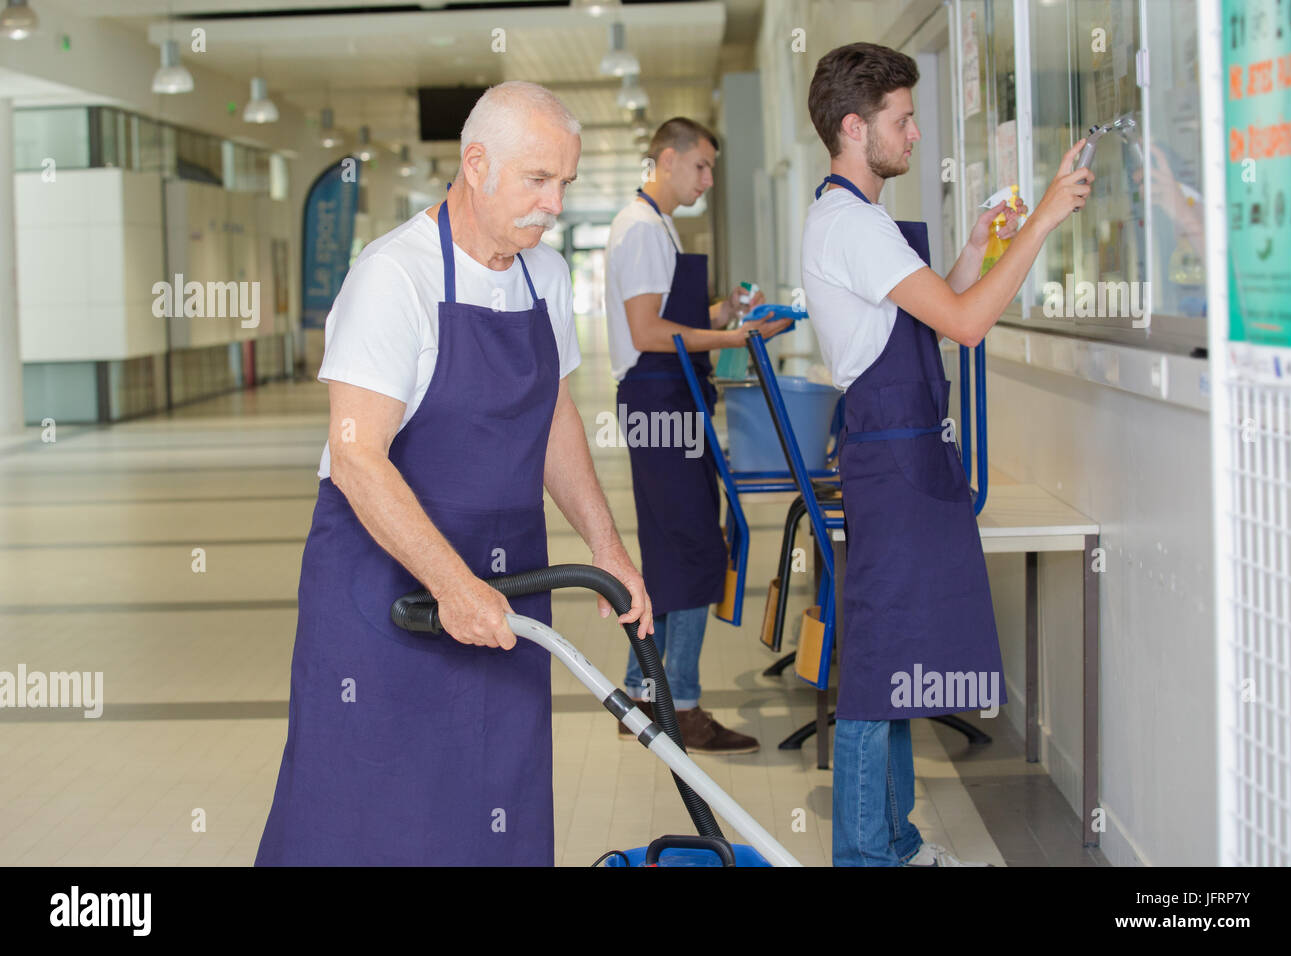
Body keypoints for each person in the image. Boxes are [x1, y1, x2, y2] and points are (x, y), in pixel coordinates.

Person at [256, 81, 652, 866]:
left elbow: (555, 419)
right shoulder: (394, 277)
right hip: (387, 595)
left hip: (506, 587)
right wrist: (450, 583)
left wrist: (607, 550)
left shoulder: (544, 274)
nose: (554, 204)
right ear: (477, 165)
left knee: (492, 794)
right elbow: (358, 457)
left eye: (565, 183)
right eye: (539, 180)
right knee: (369, 808)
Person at [801, 43, 1092, 866]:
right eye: (902, 119)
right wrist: (1042, 221)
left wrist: (977, 251)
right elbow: (965, 326)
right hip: (892, 466)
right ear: (855, 128)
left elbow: (932, 313)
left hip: (906, 458)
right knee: (877, 674)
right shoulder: (849, 224)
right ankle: (867, 856)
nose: (917, 134)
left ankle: (894, 840)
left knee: (898, 667)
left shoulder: (860, 224)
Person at [603, 117, 791, 753]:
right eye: (701, 167)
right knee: (690, 551)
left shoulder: (658, 227)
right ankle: (678, 703)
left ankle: (639, 689)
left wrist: (729, 314)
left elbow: (672, 320)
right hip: (659, 397)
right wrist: (738, 340)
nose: (709, 180)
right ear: (666, 159)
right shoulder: (638, 230)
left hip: (672, 395)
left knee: (678, 548)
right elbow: (648, 334)